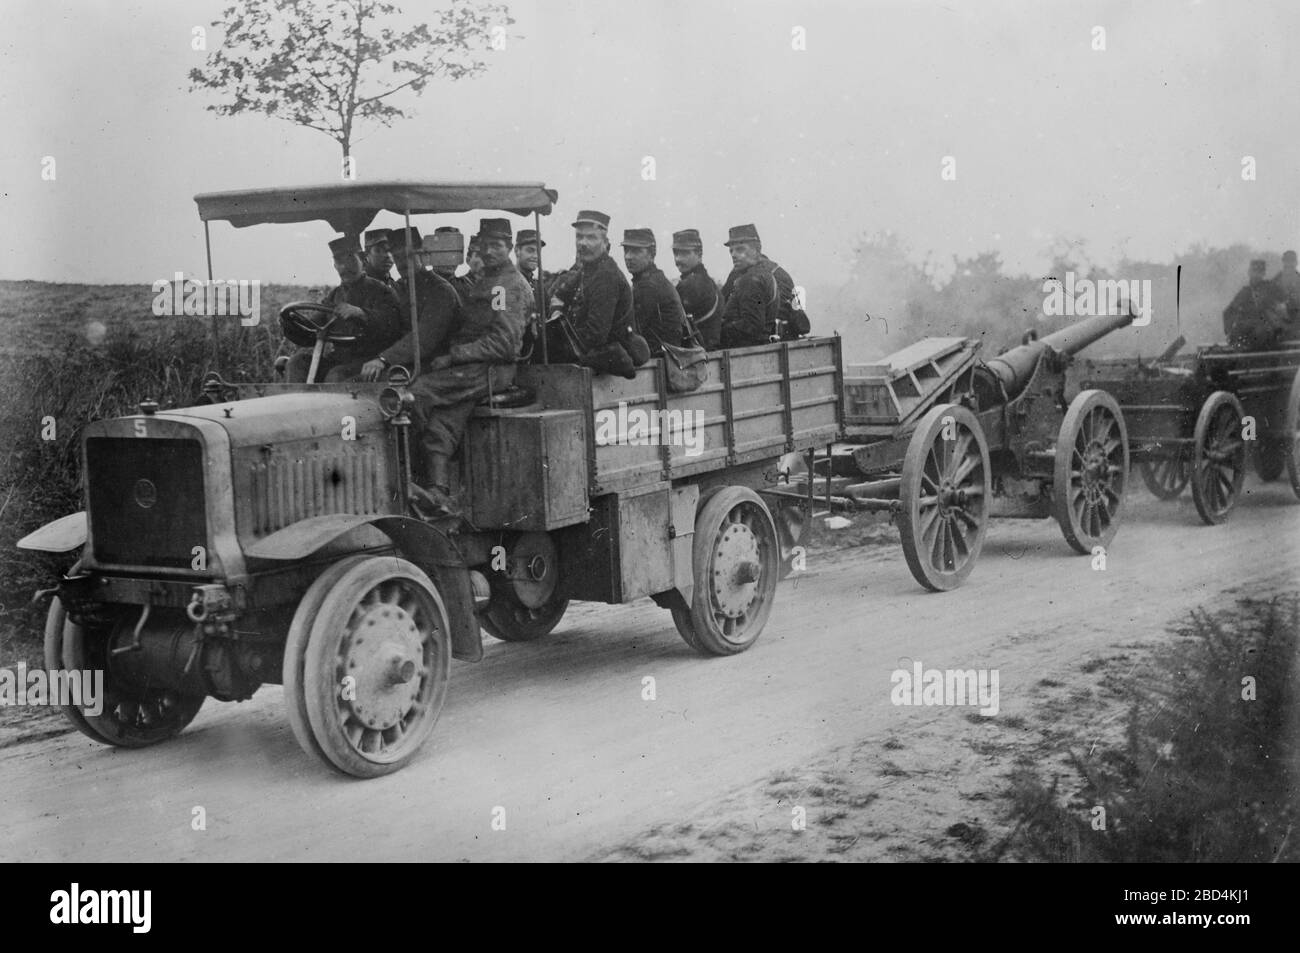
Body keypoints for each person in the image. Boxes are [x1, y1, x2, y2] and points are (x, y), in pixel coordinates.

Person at [407, 218, 532, 518]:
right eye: (485, 245)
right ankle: (438, 492)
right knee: (444, 421)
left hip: (490, 369)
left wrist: (454, 357)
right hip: (475, 368)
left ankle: (404, 475)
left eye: (497, 246)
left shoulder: (506, 285)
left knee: (416, 395)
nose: (489, 251)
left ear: (510, 248)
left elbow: (503, 345)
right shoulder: (488, 279)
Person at [285, 236, 403, 383]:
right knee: (297, 362)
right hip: (340, 359)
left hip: (371, 360)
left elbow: (392, 326)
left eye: (350, 260)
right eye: (340, 262)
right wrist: (289, 324)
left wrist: (361, 314)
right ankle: (298, 405)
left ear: (363, 260)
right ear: (334, 265)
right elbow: (311, 330)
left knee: (335, 375)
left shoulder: (382, 291)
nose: (345, 267)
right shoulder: (335, 295)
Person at [360, 226, 462, 381]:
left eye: (407, 256)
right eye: (397, 257)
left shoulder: (440, 291)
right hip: (407, 360)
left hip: (436, 364)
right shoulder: (401, 287)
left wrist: (383, 359)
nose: (401, 263)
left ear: (421, 255)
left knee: (369, 384)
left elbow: (424, 338)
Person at [546, 210, 635, 366]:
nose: (583, 243)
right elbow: (559, 295)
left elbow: (595, 336)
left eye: (591, 237)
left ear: (605, 242)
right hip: (590, 357)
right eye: (579, 237)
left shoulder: (606, 275)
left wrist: (558, 339)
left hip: (605, 363)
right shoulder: (588, 269)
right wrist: (556, 313)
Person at [622, 227, 688, 357]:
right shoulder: (654, 279)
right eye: (626, 250)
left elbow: (632, 331)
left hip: (661, 362)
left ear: (651, 254)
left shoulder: (648, 286)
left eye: (636, 251)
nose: (628, 257)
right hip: (666, 357)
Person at [672, 228, 722, 349]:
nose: (678, 259)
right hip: (707, 352)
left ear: (699, 254)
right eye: (676, 253)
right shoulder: (707, 281)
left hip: (696, 356)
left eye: (685, 253)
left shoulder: (691, 284)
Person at [1223, 259, 1288, 350]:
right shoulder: (1244, 292)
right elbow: (1228, 312)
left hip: (1266, 331)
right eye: (1254, 271)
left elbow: (1285, 303)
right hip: (1248, 333)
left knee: (1262, 333)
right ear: (1249, 272)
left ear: (1263, 274)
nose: (1256, 275)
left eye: (1259, 272)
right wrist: (1229, 332)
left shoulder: (1270, 287)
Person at [1271, 250, 1300, 336]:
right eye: (1287, 261)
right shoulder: (1277, 279)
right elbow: (1270, 297)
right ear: (1283, 262)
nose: (1290, 264)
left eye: (1292, 261)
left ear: (1296, 262)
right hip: (1282, 315)